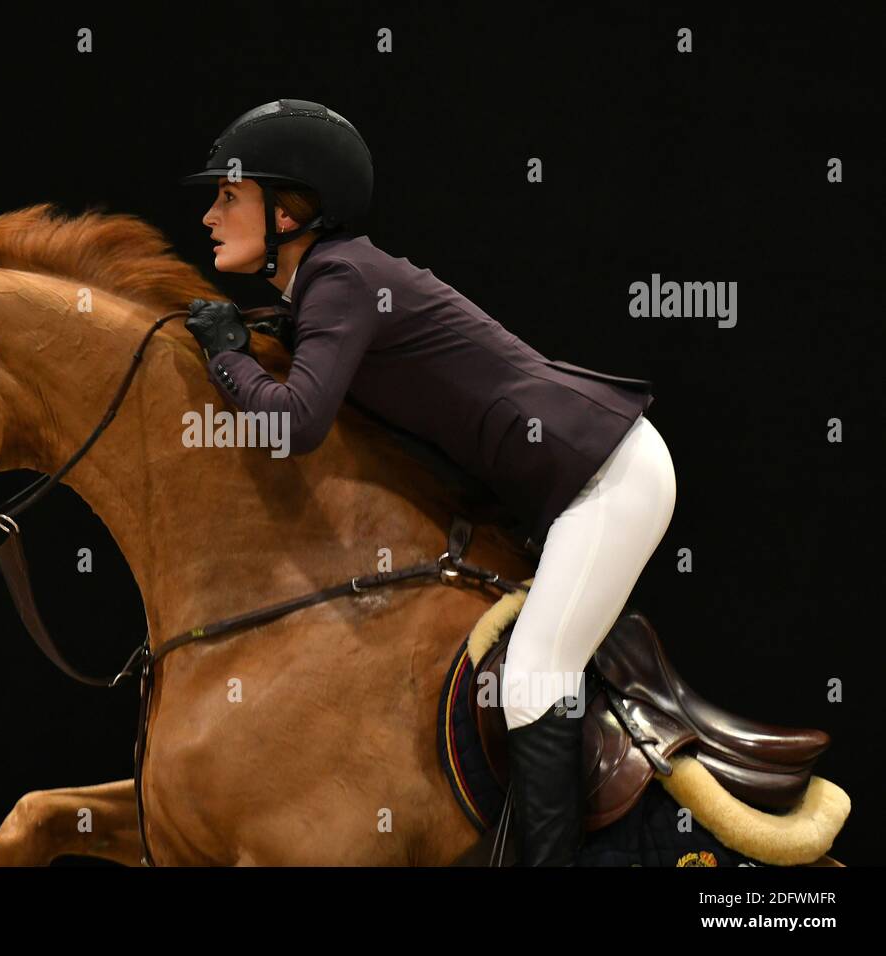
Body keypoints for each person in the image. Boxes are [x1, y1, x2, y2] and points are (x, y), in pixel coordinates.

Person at [178, 99, 677, 866]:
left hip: (606, 474)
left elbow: (294, 425)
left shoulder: (341, 276)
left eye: (229, 195)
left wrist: (226, 355)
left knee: (535, 679)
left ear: (289, 213)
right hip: (579, 474)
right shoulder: (329, 283)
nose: (210, 214)